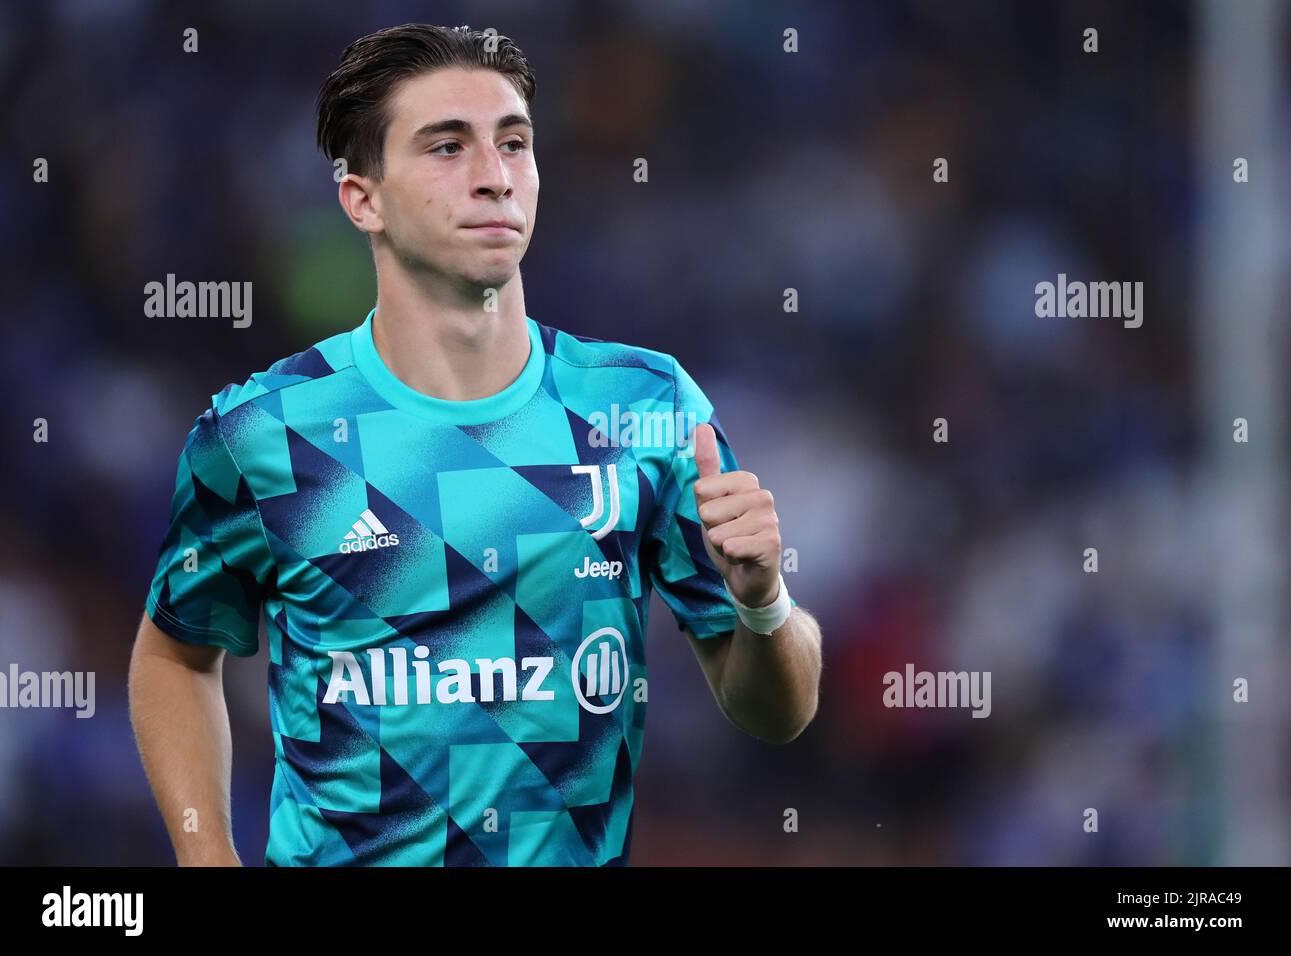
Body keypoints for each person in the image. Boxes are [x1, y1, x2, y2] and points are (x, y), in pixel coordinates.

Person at [128, 22, 822, 867]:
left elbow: (777, 711)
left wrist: (762, 601)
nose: (494, 177)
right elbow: (173, 655)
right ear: (363, 198)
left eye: (514, 143)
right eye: (446, 148)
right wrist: (206, 857)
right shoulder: (263, 434)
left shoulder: (645, 408)